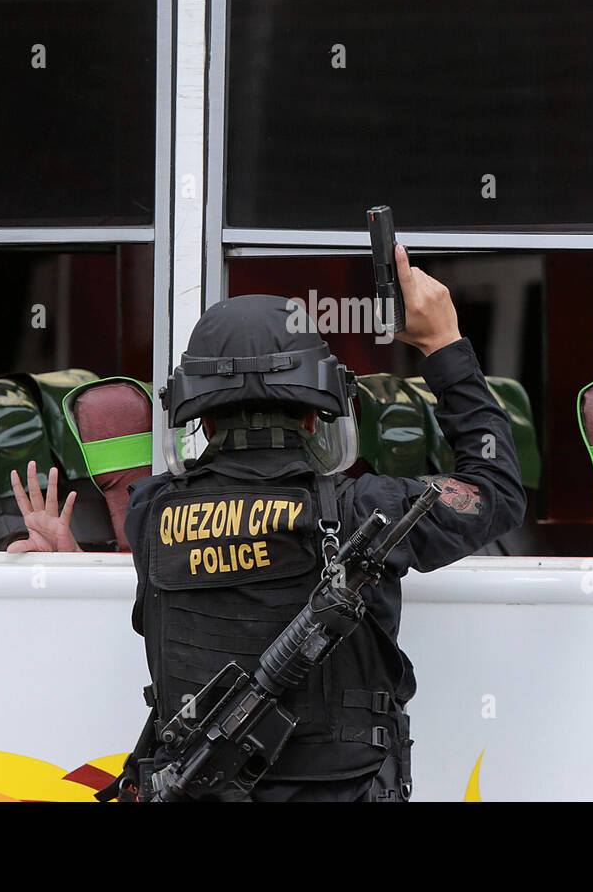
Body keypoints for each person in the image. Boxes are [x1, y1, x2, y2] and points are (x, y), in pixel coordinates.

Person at [115, 245, 526, 800]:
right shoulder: (367, 510)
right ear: (318, 412)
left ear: (201, 419)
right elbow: (494, 492)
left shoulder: (148, 512)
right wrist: (442, 343)